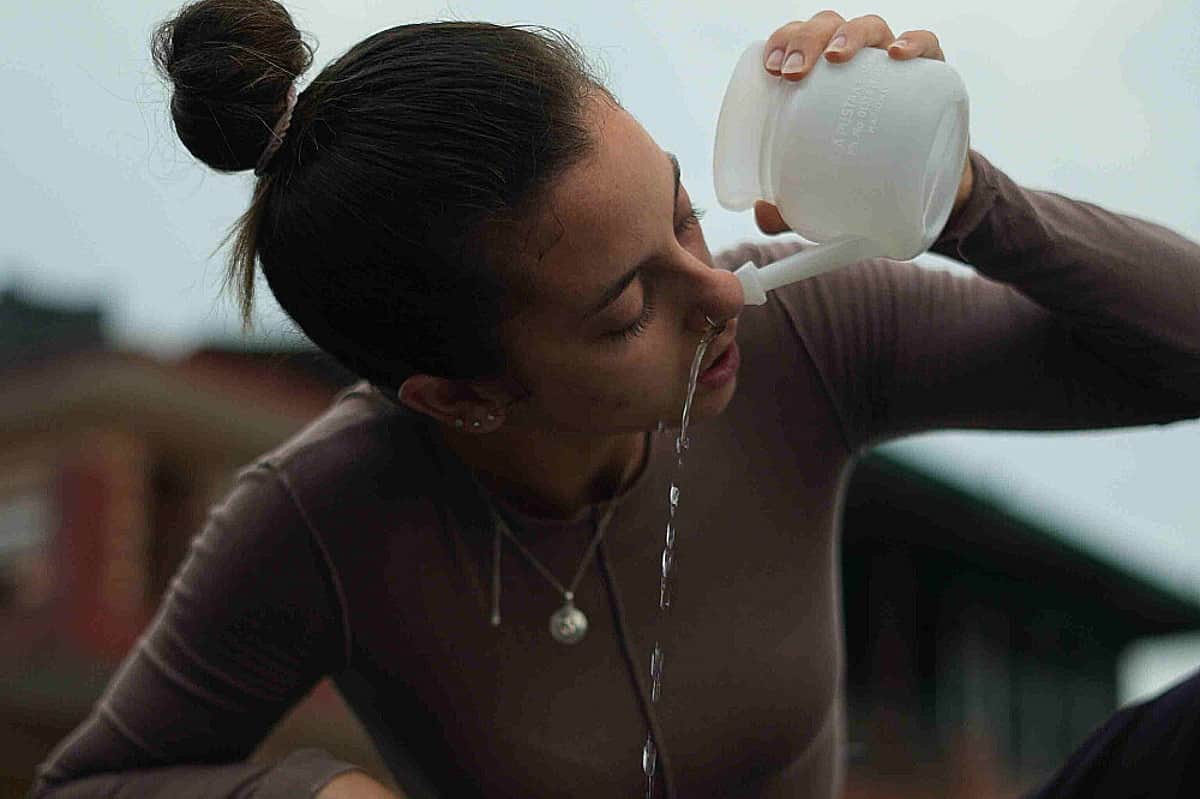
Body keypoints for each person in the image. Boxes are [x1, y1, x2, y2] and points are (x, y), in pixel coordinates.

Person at [28, 2, 1200, 798]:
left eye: (683, 215)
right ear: (461, 396)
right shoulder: (325, 514)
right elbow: (89, 781)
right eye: (630, 308)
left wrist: (959, 195)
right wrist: (303, 792)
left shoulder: (803, 334)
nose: (720, 293)